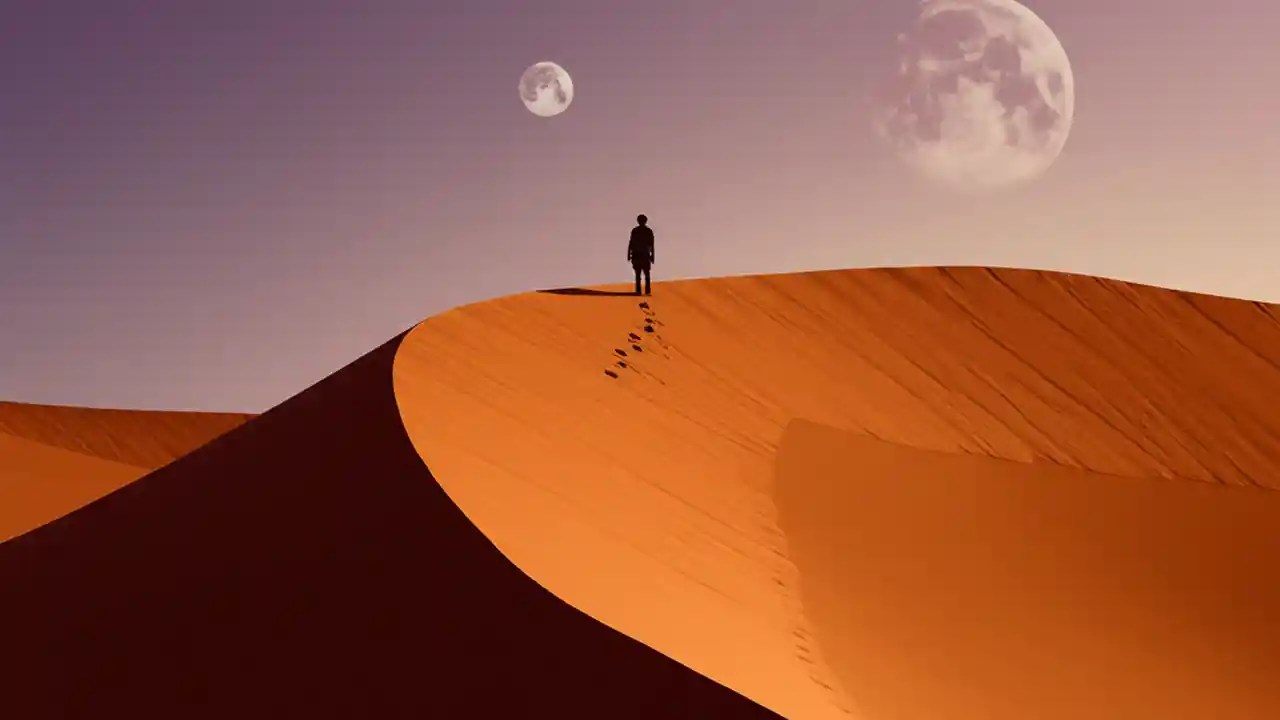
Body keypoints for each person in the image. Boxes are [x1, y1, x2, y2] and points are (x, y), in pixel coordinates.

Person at [627, 214, 655, 296]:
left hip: (641, 255)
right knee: (643, 274)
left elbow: (631, 243)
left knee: (641, 274)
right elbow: (631, 243)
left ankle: (641, 291)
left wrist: (628, 254)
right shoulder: (645, 231)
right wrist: (652, 256)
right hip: (641, 255)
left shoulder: (639, 231)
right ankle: (644, 291)